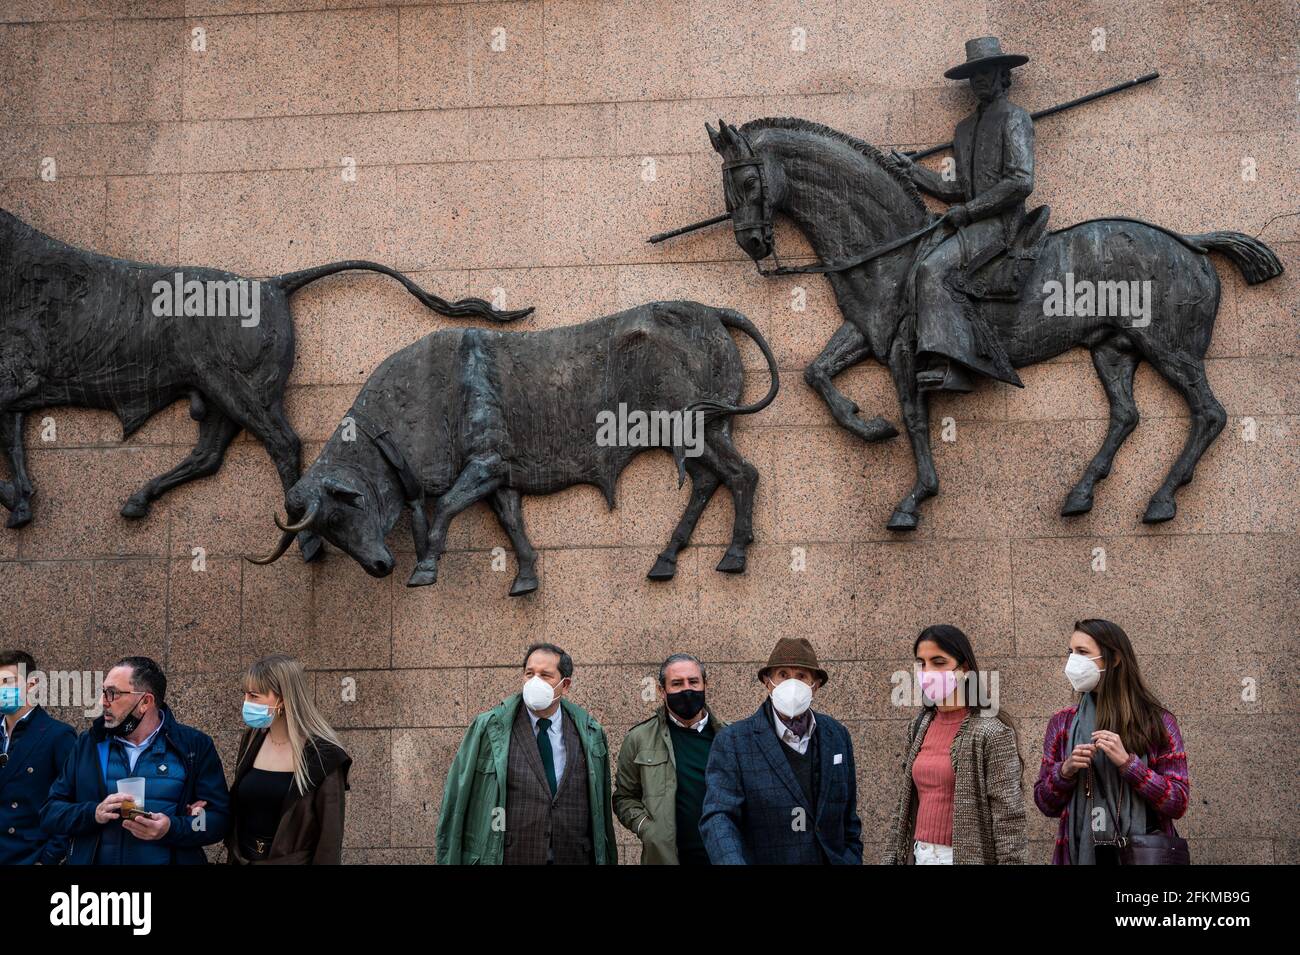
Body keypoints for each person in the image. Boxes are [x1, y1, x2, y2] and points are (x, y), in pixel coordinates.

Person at [890, 36, 1036, 393]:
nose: (980, 81)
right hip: (972, 221)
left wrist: (969, 212)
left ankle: (949, 362)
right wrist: (913, 172)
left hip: (1001, 225)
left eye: (986, 73)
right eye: (975, 75)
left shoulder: (1015, 118)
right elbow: (959, 187)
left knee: (932, 269)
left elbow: (1020, 182)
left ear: (1003, 74)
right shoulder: (965, 129)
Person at [436, 643, 618, 864]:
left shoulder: (590, 733)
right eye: (529, 673)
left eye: (545, 675)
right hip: (512, 856)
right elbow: (457, 796)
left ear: (565, 684)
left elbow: (601, 813)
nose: (535, 681)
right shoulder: (489, 729)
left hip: (574, 855)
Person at [40, 656, 229, 864]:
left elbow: (216, 822)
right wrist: (93, 812)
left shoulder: (194, 746)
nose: (103, 701)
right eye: (103, 692)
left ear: (145, 702)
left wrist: (172, 828)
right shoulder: (89, 744)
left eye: (113, 693)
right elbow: (51, 813)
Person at [1034, 619, 1190, 864]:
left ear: (1114, 659)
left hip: (1142, 855)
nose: (1073, 661)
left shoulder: (1157, 722)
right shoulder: (1063, 723)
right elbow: (1045, 803)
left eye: (1083, 652)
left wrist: (1130, 765)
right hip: (1077, 854)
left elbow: (1178, 803)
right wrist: (1066, 770)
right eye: (1071, 652)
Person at [700, 637, 862, 864]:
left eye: (802, 676)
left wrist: (851, 858)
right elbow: (719, 817)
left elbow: (848, 816)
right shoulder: (733, 742)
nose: (792, 684)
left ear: (815, 685)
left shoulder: (837, 735)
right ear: (768, 683)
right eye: (783, 675)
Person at [881, 625, 1027, 864]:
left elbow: (1008, 817)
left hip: (963, 856)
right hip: (920, 854)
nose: (928, 672)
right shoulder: (919, 727)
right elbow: (904, 804)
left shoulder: (991, 731)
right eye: (922, 663)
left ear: (964, 669)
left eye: (939, 662)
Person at [223, 654, 351, 864]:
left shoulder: (324, 756)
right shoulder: (252, 739)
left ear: (283, 699)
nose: (246, 703)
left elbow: (329, 840)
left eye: (254, 696)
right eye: (245, 695)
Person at [614, 652, 727, 864]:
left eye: (693, 681)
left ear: (705, 685)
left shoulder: (729, 737)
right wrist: (647, 829)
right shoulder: (639, 738)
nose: (687, 689)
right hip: (666, 858)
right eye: (677, 683)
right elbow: (624, 797)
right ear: (662, 691)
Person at [0, 650, 76, 865]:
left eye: (7, 681)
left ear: (32, 685)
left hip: (27, 855)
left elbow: (71, 801)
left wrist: (49, 858)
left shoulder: (58, 735)